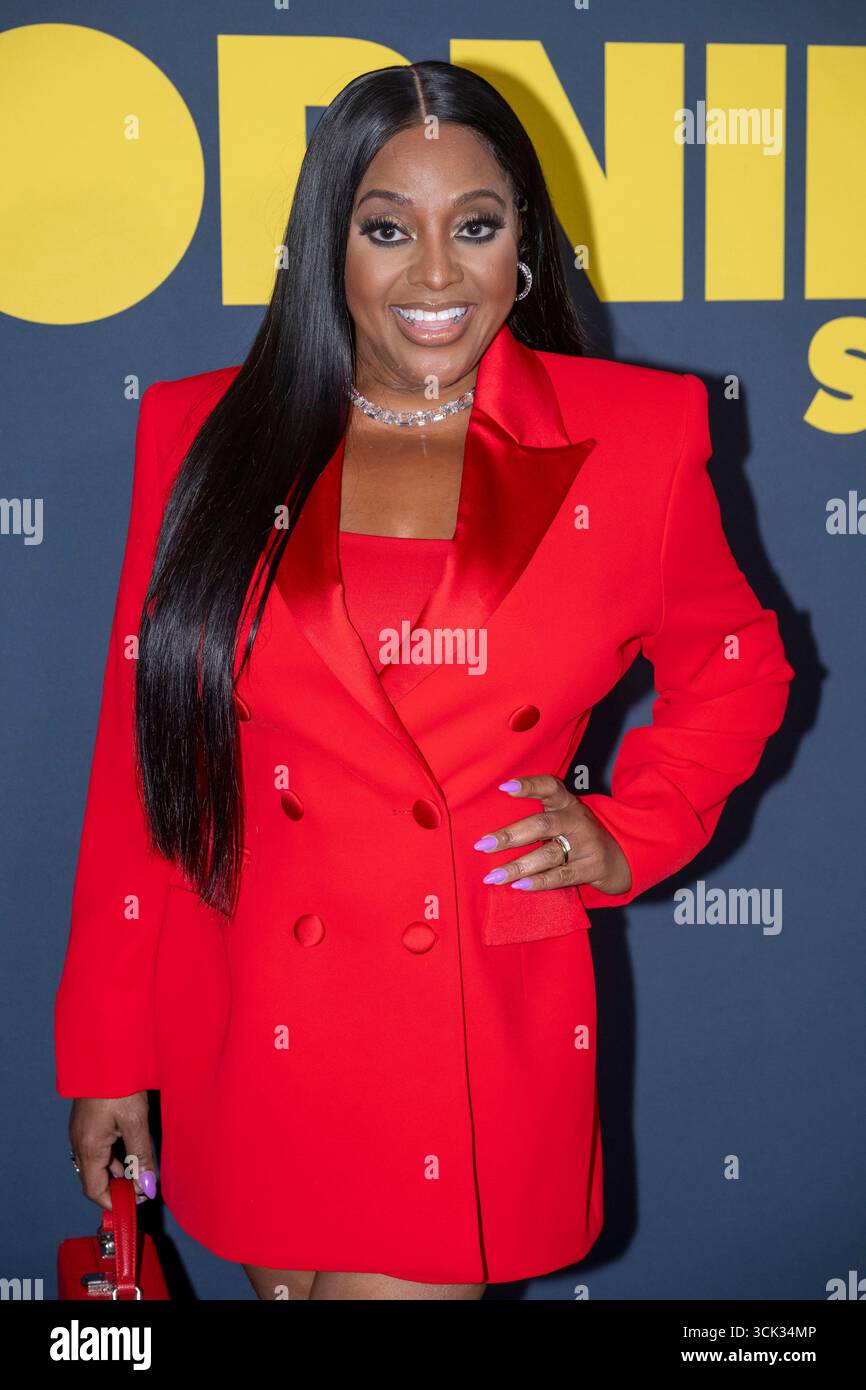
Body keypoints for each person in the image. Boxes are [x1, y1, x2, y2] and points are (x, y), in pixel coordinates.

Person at [55, 60, 795, 1301]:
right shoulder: (201, 434)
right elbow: (147, 760)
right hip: (253, 1013)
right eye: (386, 228)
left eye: (478, 225)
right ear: (326, 247)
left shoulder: (636, 435)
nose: (436, 275)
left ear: (526, 249)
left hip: (463, 1019)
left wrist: (631, 831)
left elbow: (734, 664)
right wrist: (106, 1053)